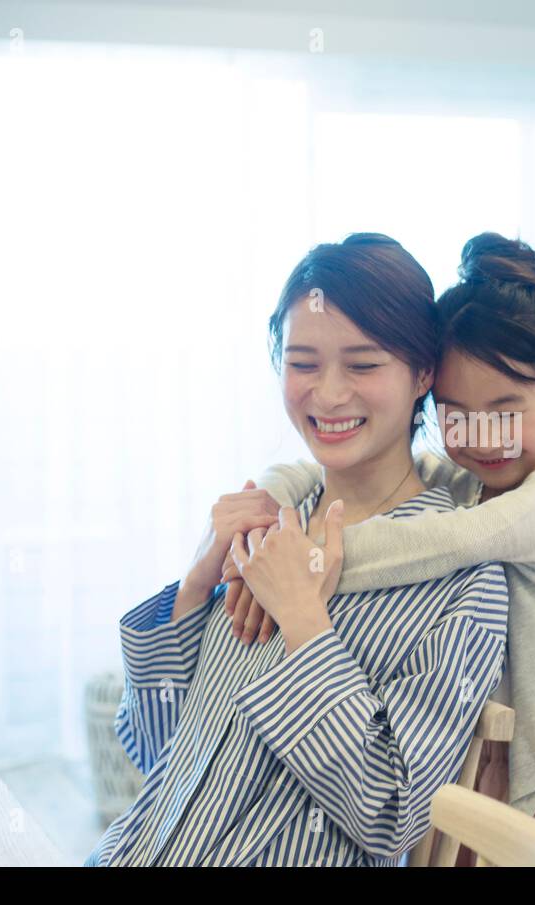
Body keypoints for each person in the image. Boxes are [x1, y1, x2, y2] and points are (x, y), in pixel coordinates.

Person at [86, 234, 507, 866]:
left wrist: (306, 624)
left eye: (363, 365)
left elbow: (390, 814)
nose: (330, 394)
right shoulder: (264, 532)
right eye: (304, 363)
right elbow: (154, 751)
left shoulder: (465, 578)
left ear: (423, 372)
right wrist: (195, 587)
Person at [229, 234, 535, 864]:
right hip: (477, 760)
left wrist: (295, 565)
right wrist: (266, 499)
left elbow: (447, 539)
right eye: (455, 413)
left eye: (507, 408)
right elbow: (332, 474)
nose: (482, 436)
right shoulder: (469, 478)